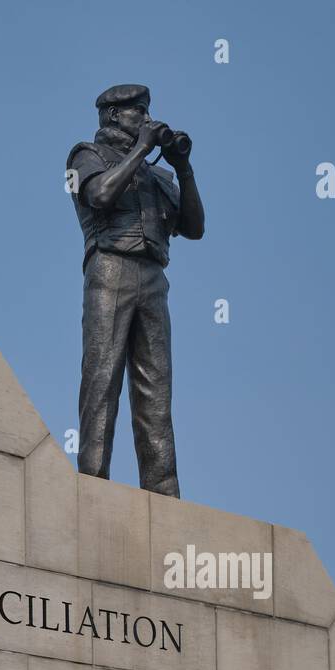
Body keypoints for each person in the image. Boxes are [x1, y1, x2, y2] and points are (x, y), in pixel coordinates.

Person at [66, 84, 205, 497]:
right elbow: (100, 194)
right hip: (110, 269)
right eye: (136, 112)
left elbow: (195, 228)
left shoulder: (157, 175)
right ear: (112, 116)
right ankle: (91, 480)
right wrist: (141, 150)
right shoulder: (86, 156)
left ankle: (163, 490)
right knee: (102, 375)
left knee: (156, 385)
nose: (145, 119)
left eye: (147, 112)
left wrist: (183, 168)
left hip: (153, 278)